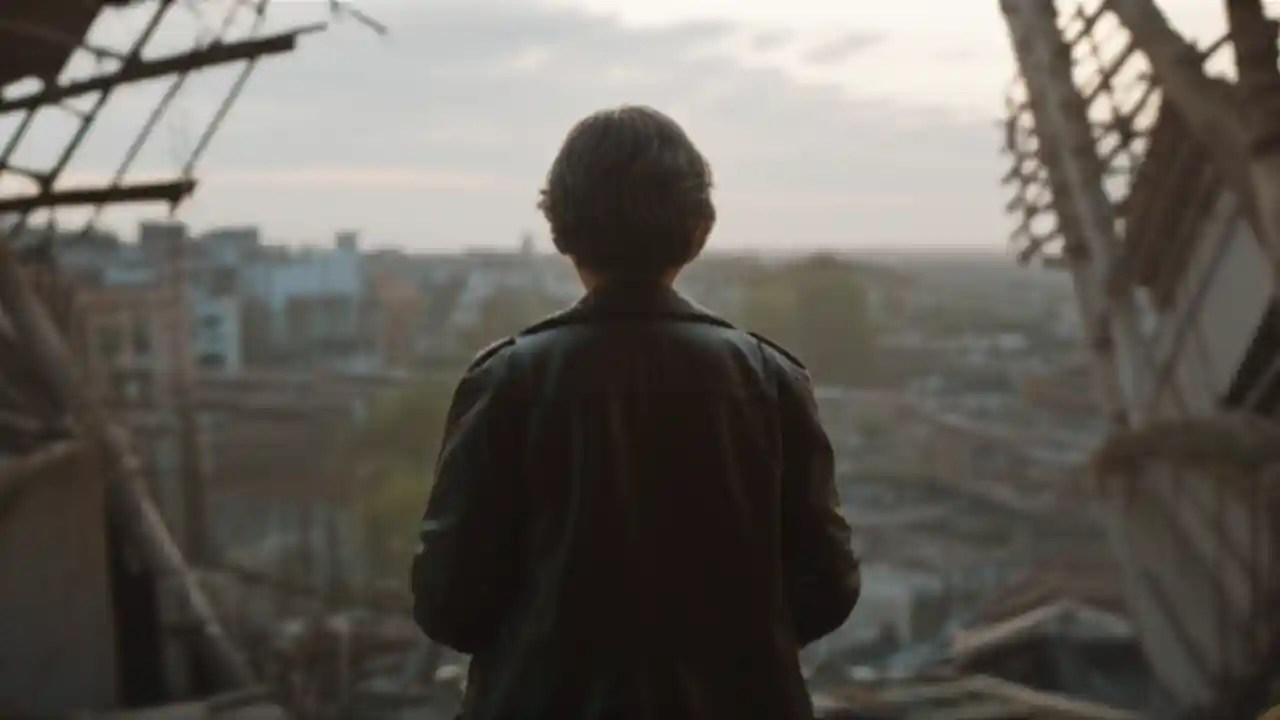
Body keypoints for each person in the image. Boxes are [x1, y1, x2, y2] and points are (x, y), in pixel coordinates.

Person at [411, 105, 860, 720]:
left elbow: (448, 602)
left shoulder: (509, 381)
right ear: (700, 229)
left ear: (559, 229)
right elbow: (828, 589)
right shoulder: (768, 380)